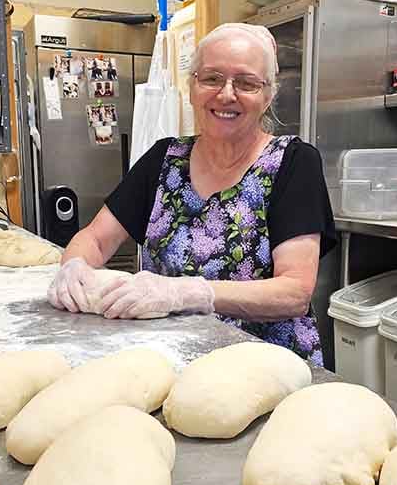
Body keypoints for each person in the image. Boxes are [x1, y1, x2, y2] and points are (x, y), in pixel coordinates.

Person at [48, 22, 336, 364]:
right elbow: (96, 238)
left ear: (268, 95)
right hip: (169, 361)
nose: (226, 95)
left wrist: (183, 292)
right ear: (192, 86)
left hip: (268, 368)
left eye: (246, 83)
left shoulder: (292, 163)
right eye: (212, 78)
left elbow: (294, 292)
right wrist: (74, 267)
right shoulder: (164, 160)